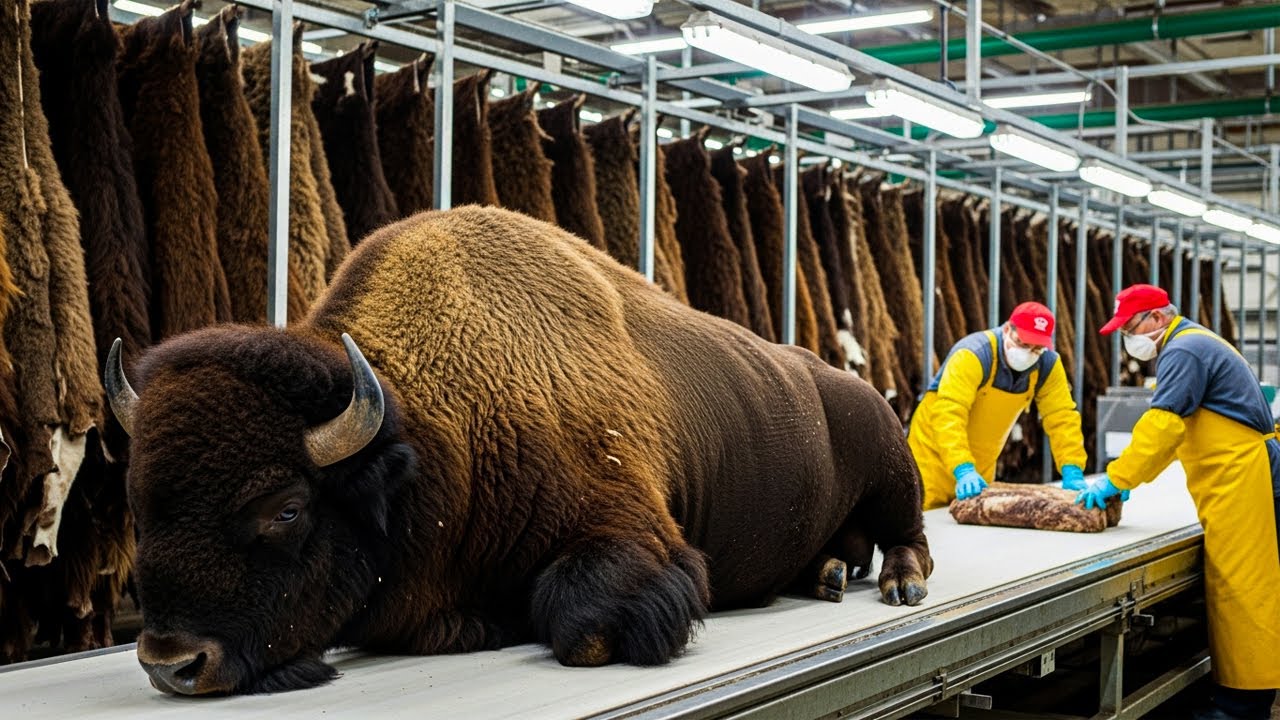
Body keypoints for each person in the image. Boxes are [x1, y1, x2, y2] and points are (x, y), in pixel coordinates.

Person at [1078, 283, 1280, 720]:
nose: (1128, 339)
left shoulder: (1183, 350)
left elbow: (1164, 426)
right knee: (1248, 586)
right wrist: (1127, 477)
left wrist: (1117, 479)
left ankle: (1242, 707)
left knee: (1243, 588)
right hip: (1240, 475)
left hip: (1244, 476)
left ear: (1157, 317)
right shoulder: (1195, 341)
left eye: (1130, 328)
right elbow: (1180, 429)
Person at [909, 301, 1088, 510]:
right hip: (931, 461)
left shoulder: (1048, 365)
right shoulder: (972, 354)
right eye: (1023, 344)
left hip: (980, 468)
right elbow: (949, 413)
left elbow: (1062, 417)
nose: (1029, 353)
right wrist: (963, 468)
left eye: (1037, 348)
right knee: (922, 520)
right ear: (1007, 330)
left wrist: (1072, 468)